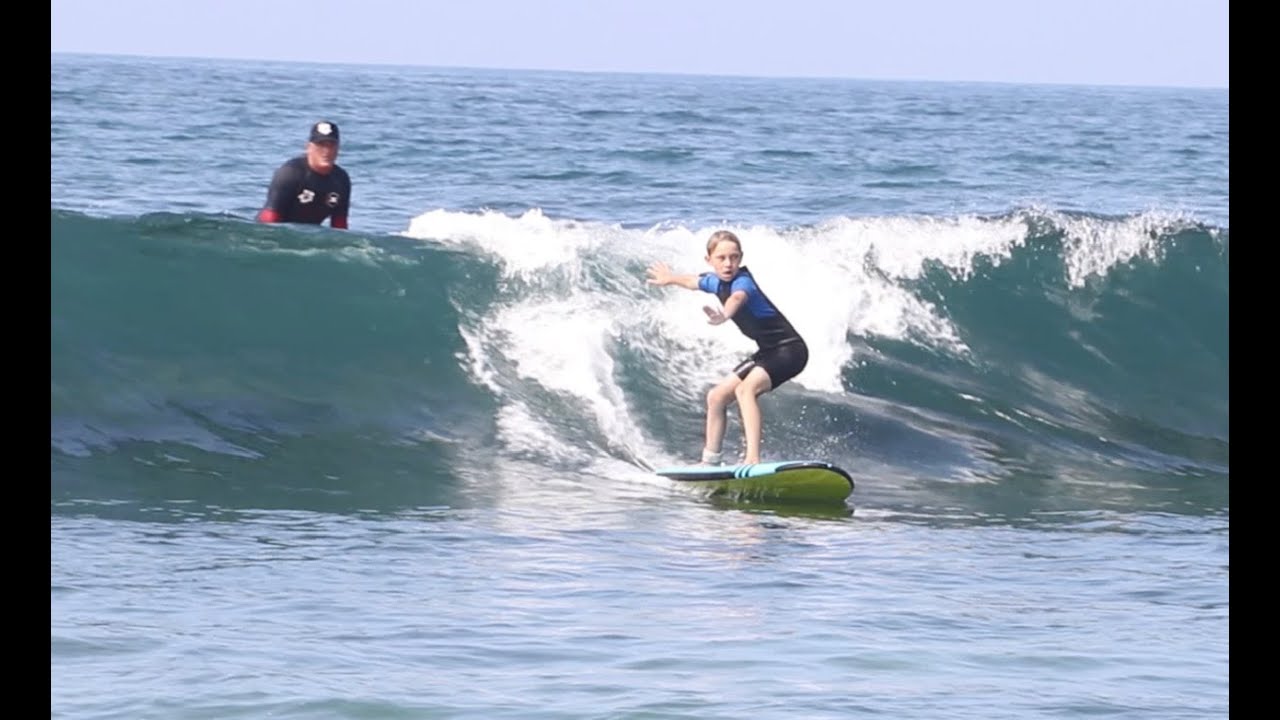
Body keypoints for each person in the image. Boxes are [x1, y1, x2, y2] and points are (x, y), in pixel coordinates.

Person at [646, 230, 809, 465]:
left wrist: (724, 315)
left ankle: (752, 459)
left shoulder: (743, 282)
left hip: (790, 350)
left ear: (741, 258)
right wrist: (670, 278)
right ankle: (710, 460)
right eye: (721, 258)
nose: (728, 263)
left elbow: (737, 298)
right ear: (709, 260)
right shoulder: (714, 281)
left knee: (745, 391)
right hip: (768, 352)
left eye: (734, 257)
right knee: (716, 397)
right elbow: (693, 281)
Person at [257, 120, 351, 229]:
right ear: (308, 147)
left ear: (338, 148)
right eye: (321, 145)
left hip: (310, 236)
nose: (326, 151)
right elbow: (269, 218)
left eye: (331, 145)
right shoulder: (290, 173)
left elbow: (340, 225)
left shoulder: (341, 180)